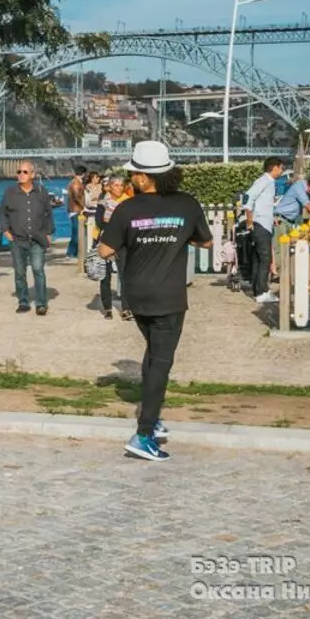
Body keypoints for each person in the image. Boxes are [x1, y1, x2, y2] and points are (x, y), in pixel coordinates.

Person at [97, 141, 213, 462]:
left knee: (153, 354)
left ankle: (153, 415)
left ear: (146, 178)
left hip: (136, 295)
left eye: (134, 172)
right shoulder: (187, 205)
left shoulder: (127, 209)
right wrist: (176, 235)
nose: (131, 176)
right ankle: (144, 434)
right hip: (169, 296)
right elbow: (206, 241)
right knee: (161, 361)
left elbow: (105, 251)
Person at [1, 161, 54, 315]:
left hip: (37, 238)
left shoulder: (41, 191)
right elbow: (3, 213)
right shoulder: (10, 192)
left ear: (32, 174)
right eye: (19, 172)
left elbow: (48, 213)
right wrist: (6, 231)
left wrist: (49, 233)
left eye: (25, 172)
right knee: (19, 272)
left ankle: (41, 303)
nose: (21, 175)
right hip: (17, 240)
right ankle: (23, 302)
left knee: (38, 270)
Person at [243, 157, 284, 304]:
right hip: (260, 226)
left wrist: (271, 217)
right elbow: (248, 198)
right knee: (265, 259)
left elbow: (262, 203)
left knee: (258, 259)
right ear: (274, 168)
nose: (281, 171)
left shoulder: (269, 183)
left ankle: (259, 290)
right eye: (280, 168)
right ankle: (261, 293)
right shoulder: (264, 181)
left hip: (264, 224)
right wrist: (249, 221)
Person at [95, 176, 131, 320]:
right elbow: (99, 222)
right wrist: (117, 224)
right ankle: (107, 308)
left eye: (121, 185)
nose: (119, 188)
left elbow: (130, 222)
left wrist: (112, 222)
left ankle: (126, 309)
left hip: (123, 243)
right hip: (106, 242)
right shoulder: (102, 203)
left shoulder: (128, 202)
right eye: (116, 185)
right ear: (109, 187)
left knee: (125, 276)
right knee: (105, 276)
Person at [65, 166, 86, 260]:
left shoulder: (74, 182)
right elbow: (77, 196)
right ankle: (71, 253)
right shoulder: (76, 183)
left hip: (74, 209)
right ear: (83, 173)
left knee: (76, 232)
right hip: (76, 210)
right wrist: (84, 206)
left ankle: (72, 252)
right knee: (77, 232)